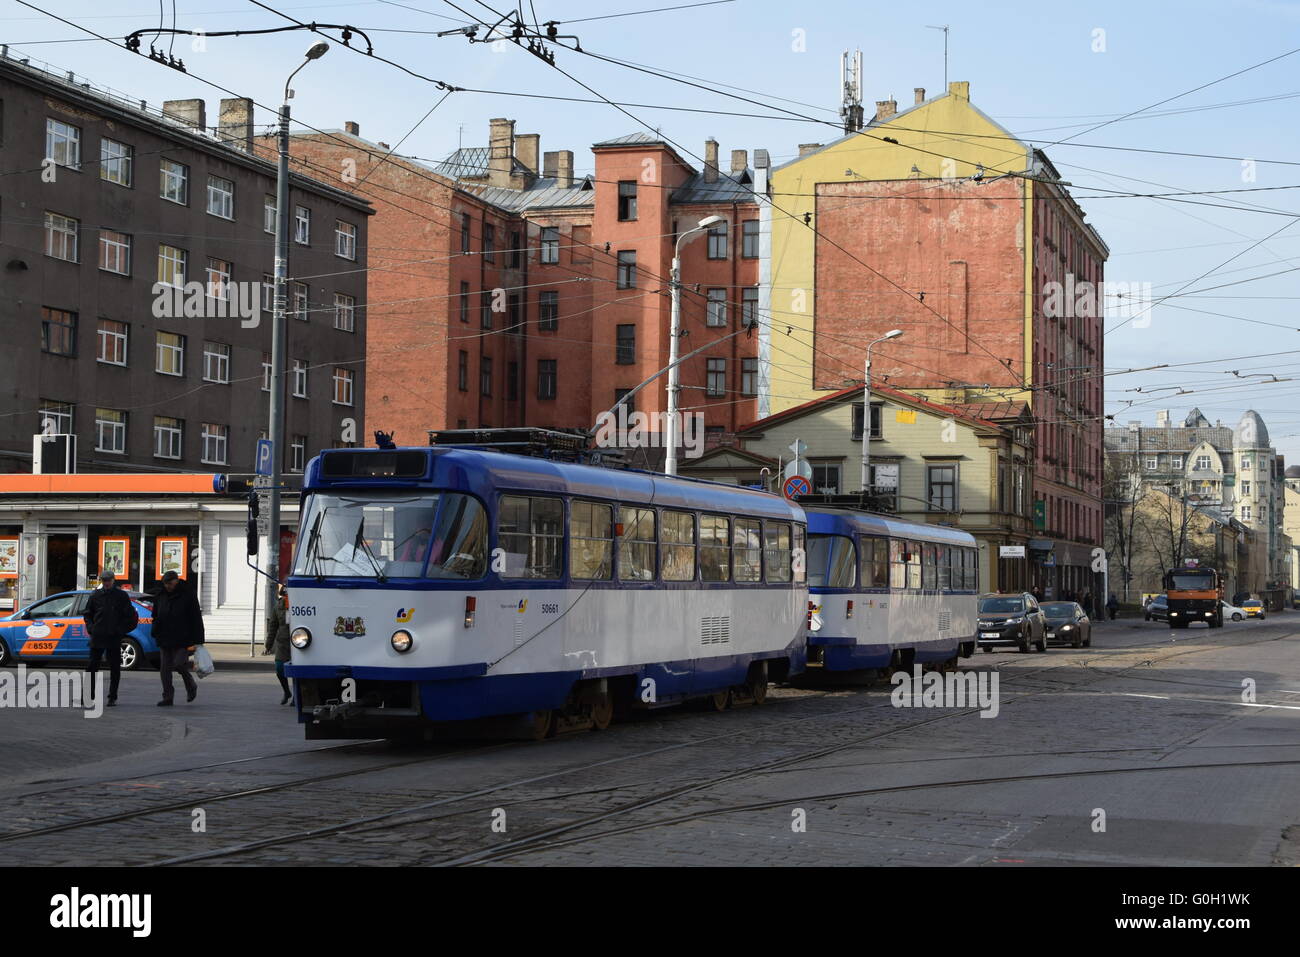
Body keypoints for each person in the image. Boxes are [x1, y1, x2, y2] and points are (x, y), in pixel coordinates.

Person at [84, 570, 138, 707]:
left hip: (114, 637)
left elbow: (131, 617)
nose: (106, 583)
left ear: (113, 580)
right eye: (104, 580)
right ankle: (88, 697)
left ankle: (112, 697)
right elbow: (87, 614)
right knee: (91, 667)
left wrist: (121, 631)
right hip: (98, 636)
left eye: (108, 580)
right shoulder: (95, 595)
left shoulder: (121, 596)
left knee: (114, 668)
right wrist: (91, 628)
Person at [150, 570, 203, 706]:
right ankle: (168, 697)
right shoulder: (160, 594)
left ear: (176, 581)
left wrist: (198, 640)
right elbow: (155, 615)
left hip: (183, 638)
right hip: (164, 637)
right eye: (166, 584)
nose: (168, 586)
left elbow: (196, 617)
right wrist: (155, 631)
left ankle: (191, 685)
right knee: (165, 669)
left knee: (179, 664)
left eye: (170, 583)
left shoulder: (187, 594)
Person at [265, 584, 292, 705]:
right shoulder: (277, 608)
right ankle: (287, 691)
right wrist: (268, 645)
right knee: (279, 668)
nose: (287, 598)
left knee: (297, 672)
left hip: (300, 642)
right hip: (282, 642)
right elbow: (273, 627)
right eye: (285, 595)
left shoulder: (301, 606)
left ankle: (297, 697)